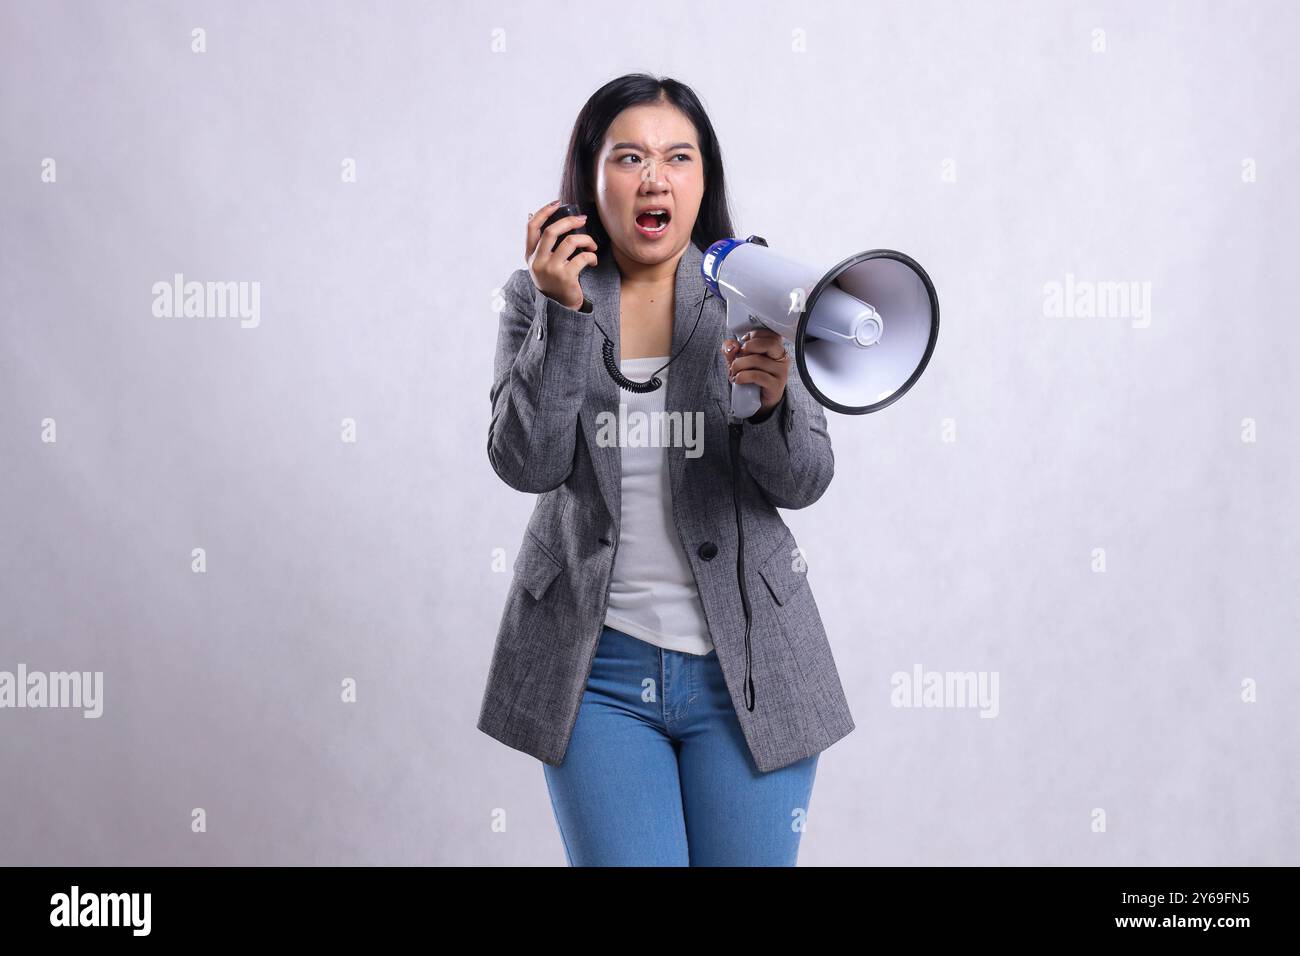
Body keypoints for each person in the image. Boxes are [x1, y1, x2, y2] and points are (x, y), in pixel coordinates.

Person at [480, 73, 855, 866]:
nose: (655, 176)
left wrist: (769, 405)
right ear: (589, 179)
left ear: (703, 180)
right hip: (597, 675)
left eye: (678, 156)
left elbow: (806, 480)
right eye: (628, 157)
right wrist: (563, 314)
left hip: (749, 667)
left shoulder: (755, 287)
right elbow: (527, 462)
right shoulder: (537, 296)